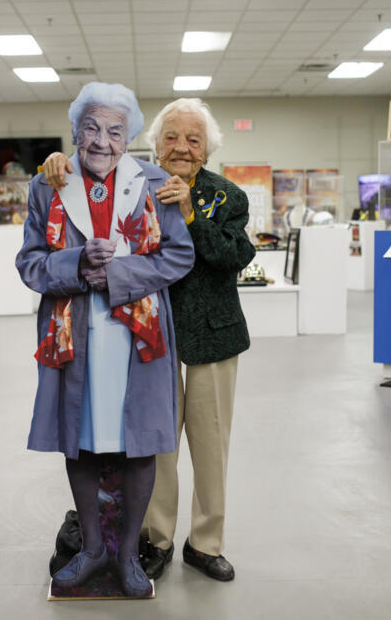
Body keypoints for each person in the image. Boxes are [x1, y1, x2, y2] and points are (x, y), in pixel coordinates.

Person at [42, 97, 255, 583]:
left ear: (208, 149)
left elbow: (233, 257)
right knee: (154, 443)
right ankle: (154, 539)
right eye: (172, 137)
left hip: (210, 339)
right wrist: (53, 163)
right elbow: (82, 184)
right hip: (150, 337)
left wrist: (192, 216)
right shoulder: (137, 185)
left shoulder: (226, 196)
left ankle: (205, 543)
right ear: (155, 143)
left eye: (193, 139)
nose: (181, 146)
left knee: (210, 444)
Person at [16, 83, 194, 597]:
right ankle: (92, 548)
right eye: (91, 127)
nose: (101, 140)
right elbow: (29, 262)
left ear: (130, 137)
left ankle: (128, 555)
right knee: (82, 440)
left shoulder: (156, 182)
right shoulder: (47, 185)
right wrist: (74, 265)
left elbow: (178, 256)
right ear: (75, 130)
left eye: (115, 131)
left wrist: (115, 275)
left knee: (140, 444)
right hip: (73, 337)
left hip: (138, 340)